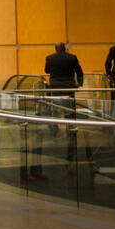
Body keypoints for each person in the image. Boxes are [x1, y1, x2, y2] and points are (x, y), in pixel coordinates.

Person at [44, 42, 95, 171]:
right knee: (70, 107)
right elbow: (79, 71)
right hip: (68, 86)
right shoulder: (72, 57)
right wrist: (80, 83)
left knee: (54, 107)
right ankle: (71, 125)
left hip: (55, 87)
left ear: (55, 49)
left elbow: (46, 70)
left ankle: (54, 128)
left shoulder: (49, 58)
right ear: (65, 49)